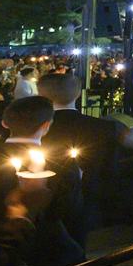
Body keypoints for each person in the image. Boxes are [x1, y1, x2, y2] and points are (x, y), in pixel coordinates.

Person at [0, 97, 85, 266]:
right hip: (47, 247)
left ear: (4, 123)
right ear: (46, 125)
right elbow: (70, 209)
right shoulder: (62, 162)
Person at [39, 72, 125, 250]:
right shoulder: (104, 128)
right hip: (88, 199)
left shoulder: (35, 128)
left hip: (43, 200)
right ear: (78, 93)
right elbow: (111, 170)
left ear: (41, 94)